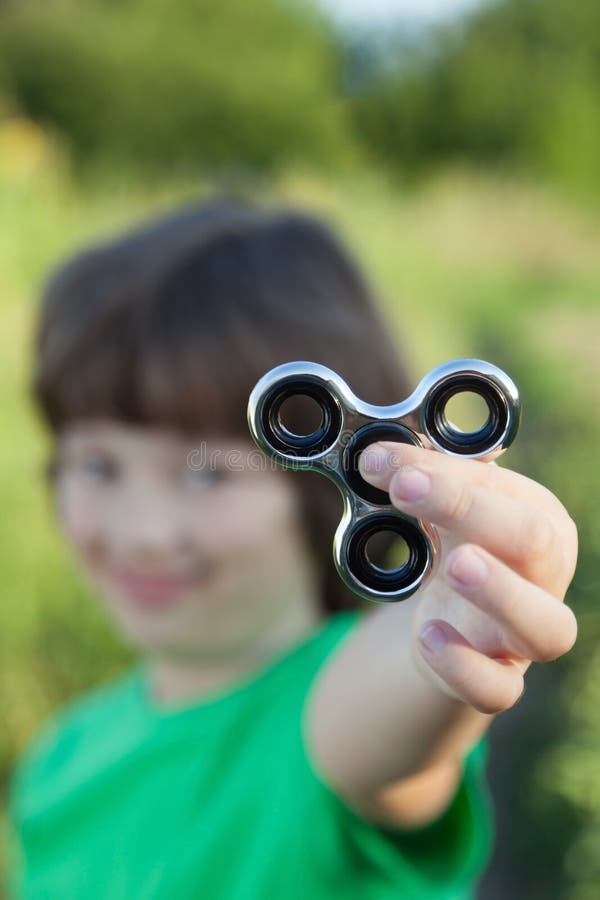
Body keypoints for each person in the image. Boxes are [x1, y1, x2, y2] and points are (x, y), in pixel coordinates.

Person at [5, 198, 578, 899]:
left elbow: (386, 717)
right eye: (99, 465)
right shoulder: (59, 758)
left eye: (209, 471)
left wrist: (450, 621)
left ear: (321, 476)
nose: (145, 533)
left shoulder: (330, 724)